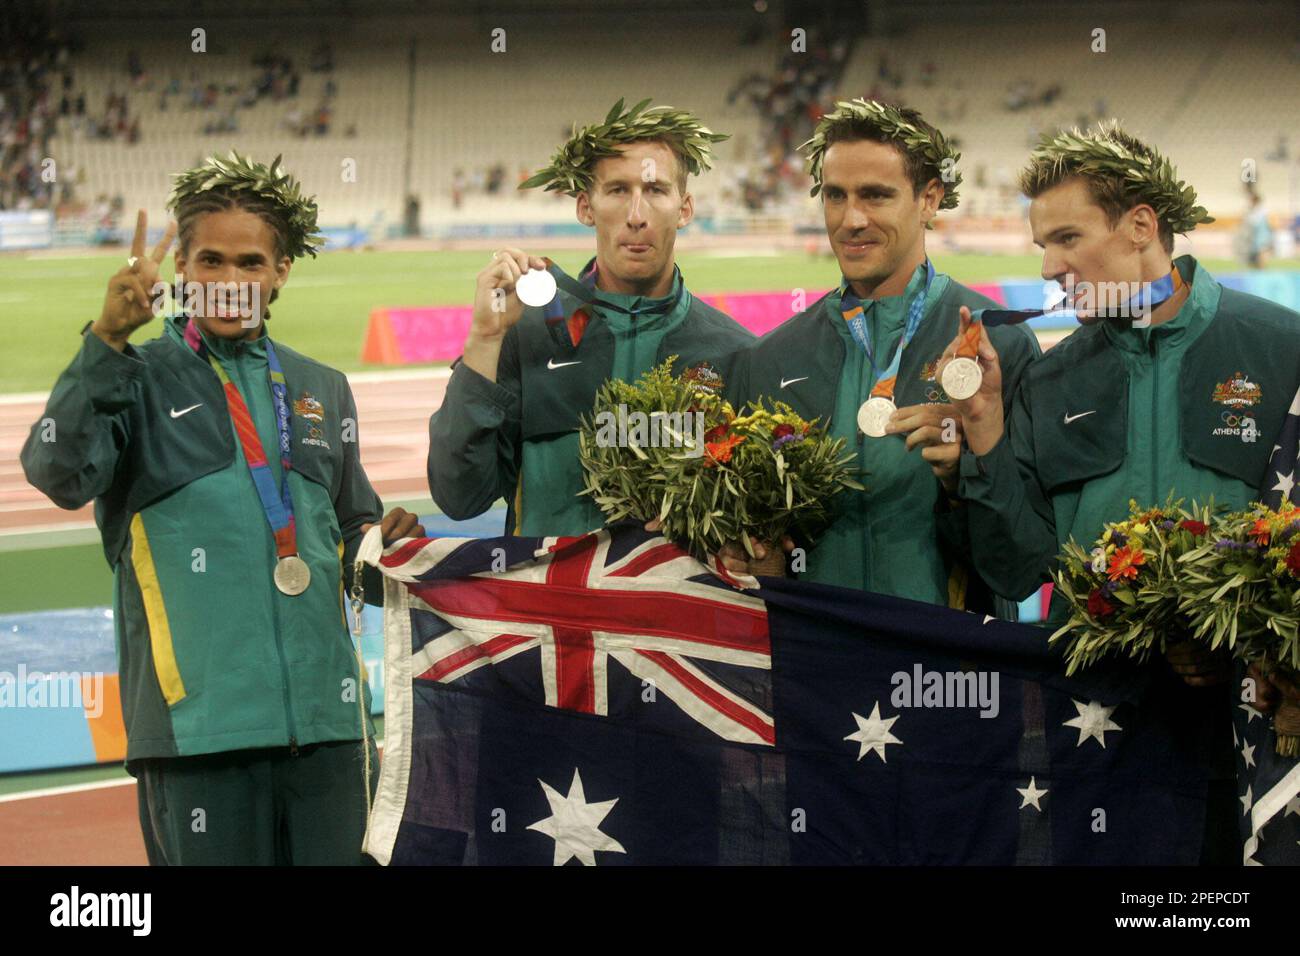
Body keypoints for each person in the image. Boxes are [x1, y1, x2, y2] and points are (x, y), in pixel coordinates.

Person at [21, 152, 422, 865]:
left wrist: (383, 543)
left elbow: (352, 537)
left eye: (249, 262)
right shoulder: (134, 380)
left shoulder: (320, 387)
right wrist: (106, 342)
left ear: (280, 272)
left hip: (331, 735)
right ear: (181, 267)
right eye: (210, 261)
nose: (231, 283)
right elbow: (56, 471)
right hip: (199, 735)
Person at [938, 123, 1300, 863]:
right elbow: (1018, 568)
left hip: (1258, 727)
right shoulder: (1051, 375)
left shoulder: (1281, 347)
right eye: (1041, 244)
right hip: (1099, 733)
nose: (1049, 266)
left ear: (1140, 225)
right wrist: (982, 435)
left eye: (1067, 238)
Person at [724, 99, 1040, 615]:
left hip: (949, 674)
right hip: (817, 671)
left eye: (875, 196)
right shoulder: (770, 359)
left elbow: (1022, 568)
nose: (852, 219)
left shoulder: (996, 347)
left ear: (929, 199)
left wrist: (972, 476)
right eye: (836, 196)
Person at [428, 99, 754, 537]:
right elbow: (459, 497)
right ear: (586, 207)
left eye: (655, 191)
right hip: (548, 604)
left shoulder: (733, 351)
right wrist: (485, 340)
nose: (637, 216)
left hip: (673, 606)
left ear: (685, 208)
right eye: (618, 190)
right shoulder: (526, 337)